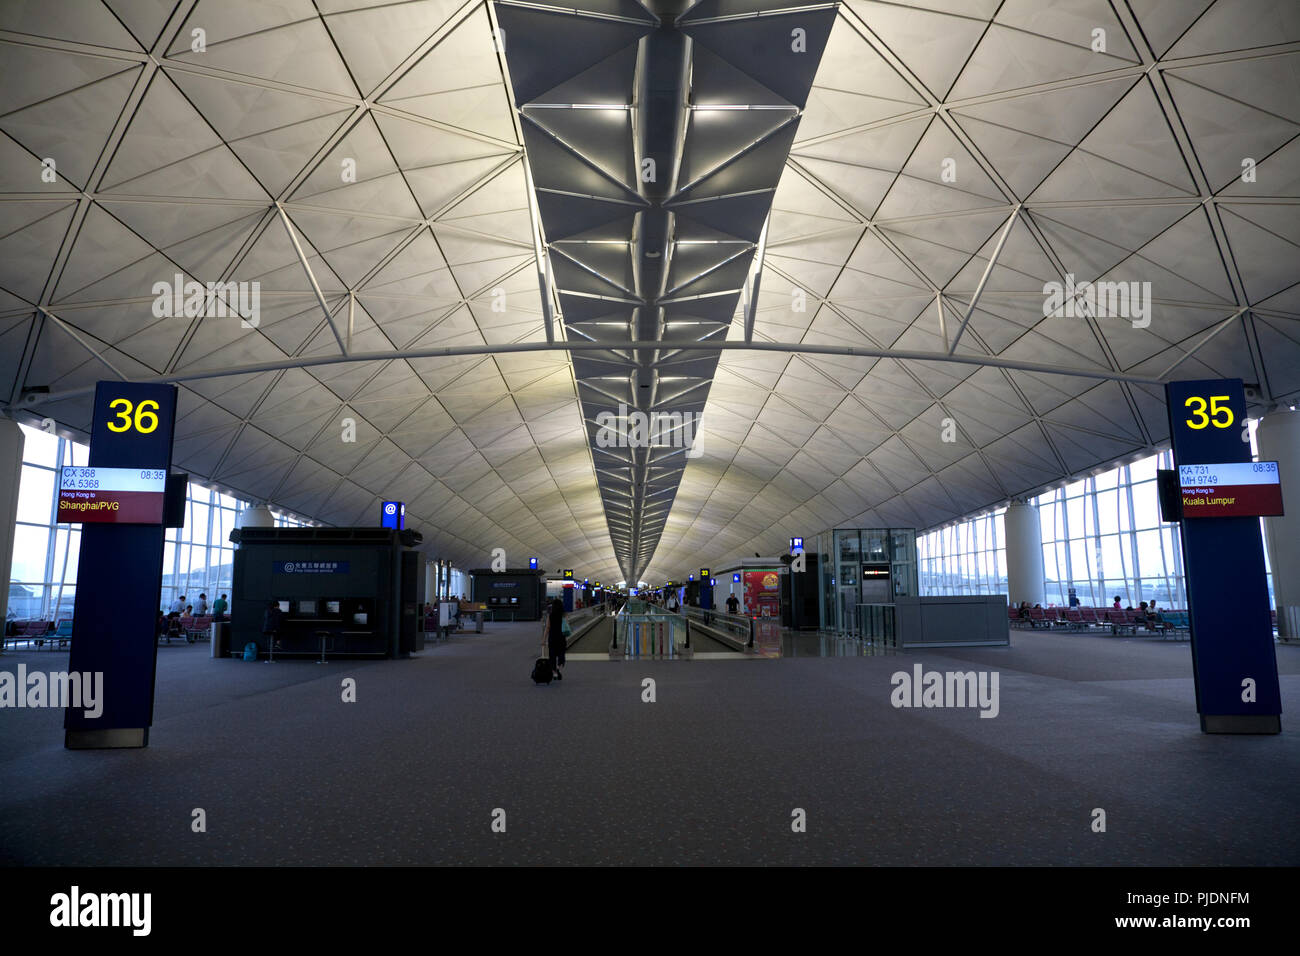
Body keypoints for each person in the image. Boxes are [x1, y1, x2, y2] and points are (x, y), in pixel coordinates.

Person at [544, 597, 566, 681]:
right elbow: (566, 626)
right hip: (561, 637)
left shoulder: (550, 615)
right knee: (561, 654)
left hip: (552, 637)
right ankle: (558, 668)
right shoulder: (563, 615)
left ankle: (554, 673)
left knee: (552, 656)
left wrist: (543, 639)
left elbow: (547, 628)